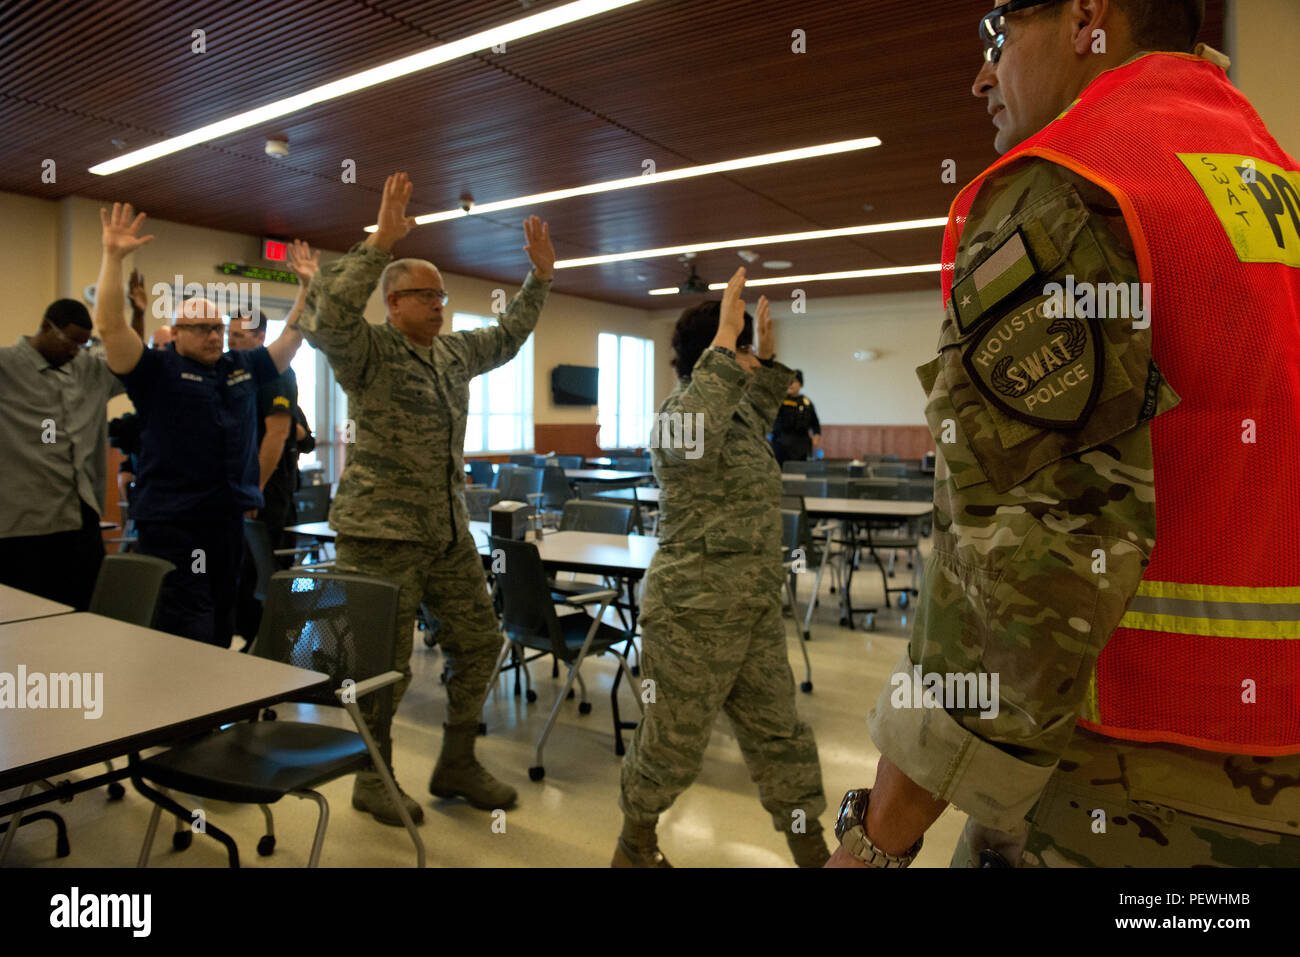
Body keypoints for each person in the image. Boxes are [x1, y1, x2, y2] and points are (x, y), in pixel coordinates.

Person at [828, 0, 1300, 869]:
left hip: (1137, 783)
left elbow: (1019, 586)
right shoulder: (1273, 178)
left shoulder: (1077, 188)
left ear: (1088, 15)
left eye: (997, 34)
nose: (981, 75)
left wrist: (874, 838)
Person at [298, 172, 554, 826]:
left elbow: (509, 335)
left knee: (480, 639)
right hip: (379, 536)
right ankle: (371, 776)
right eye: (424, 294)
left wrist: (540, 280)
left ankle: (457, 759)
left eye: (442, 294)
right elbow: (327, 314)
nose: (439, 304)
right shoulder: (370, 353)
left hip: (444, 534)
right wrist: (380, 241)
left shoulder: (453, 354)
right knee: (382, 666)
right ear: (392, 302)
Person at [614, 270, 829, 868]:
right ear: (715, 357)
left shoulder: (731, 419)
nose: (751, 363)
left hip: (752, 606)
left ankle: (813, 851)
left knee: (779, 737)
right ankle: (634, 847)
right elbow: (687, 442)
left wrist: (764, 354)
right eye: (738, 350)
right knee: (673, 745)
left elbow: (752, 408)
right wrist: (723, 345)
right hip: (694, 616)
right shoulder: (680, 419)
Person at [92, 202, 306, 648]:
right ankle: (185, 710)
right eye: (201, 328)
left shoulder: (239, 366)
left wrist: (307, 287)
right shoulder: (154, 371)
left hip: (226, 519)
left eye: (217, 327)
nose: (213, 335)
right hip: (173, 522)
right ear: (179, 331)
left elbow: (290, 339)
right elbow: (111, 324)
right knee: (185, 619)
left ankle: (216, 707)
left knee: (224, 612)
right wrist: (113, 258)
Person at [0, 299, 128, 610]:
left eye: (82, 345)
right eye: (70, 341)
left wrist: (135, 315)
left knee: (84, 613)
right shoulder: (6, 368)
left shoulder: (86, 369)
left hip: (78, 517)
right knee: (27, 618)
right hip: (23, 525)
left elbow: (127, 367)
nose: (74, 351)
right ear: (46, 326)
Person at [230, 249, 317, 641]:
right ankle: (250, 640)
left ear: (260, 337)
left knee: (268, 573)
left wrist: (254, 489)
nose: (230, 342)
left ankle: (274, 642)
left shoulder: (275, 372)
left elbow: (277, 435)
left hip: (268, 490)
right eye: (228, 334)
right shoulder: (236, 372)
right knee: (245, 574)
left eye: (238, 336)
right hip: (243, 488)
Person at [769, 369, 821, 464]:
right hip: (779, 445)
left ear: (800, 384)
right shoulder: (778, 400)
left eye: (794, 381)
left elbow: (816, 425)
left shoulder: (807, 403)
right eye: (788, 381)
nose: (791, 384)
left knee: (799, 475)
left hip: (801, 447)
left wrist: (815, 439)